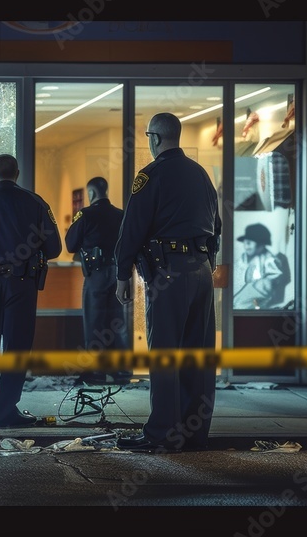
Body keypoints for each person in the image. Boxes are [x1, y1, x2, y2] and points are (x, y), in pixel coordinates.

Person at [114, 112, 222, 452]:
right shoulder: (200, 173)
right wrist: (209, 264)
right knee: (197, 357)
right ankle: (194, 434)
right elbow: (215, 225)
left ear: (155, 138)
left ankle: (162, 435)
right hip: (202, 272)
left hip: (168, 273)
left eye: (148, 136)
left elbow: (131, 230)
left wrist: (121, 275)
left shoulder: (150, 176)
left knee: (164, 355)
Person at [0, 153, 62, 428]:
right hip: (23, 283)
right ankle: (4, 411)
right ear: (17, 174)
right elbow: (54, 249)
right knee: (16, 346)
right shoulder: (36, 202)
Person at [64, 177, 131, 385]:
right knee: (117, 323)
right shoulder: (121, 215)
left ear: (91, 194)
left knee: (94, 322)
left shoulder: (85, 215)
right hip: (118, 273)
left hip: (96, 275)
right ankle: (121, 372)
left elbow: (70, 244)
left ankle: (95, 372)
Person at [233, 222, 290, 309]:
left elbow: (267, 287)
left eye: (251, 241)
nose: (246, 244)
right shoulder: (242, 260)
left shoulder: (270, 261)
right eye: (246, 241)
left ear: (261, 245)